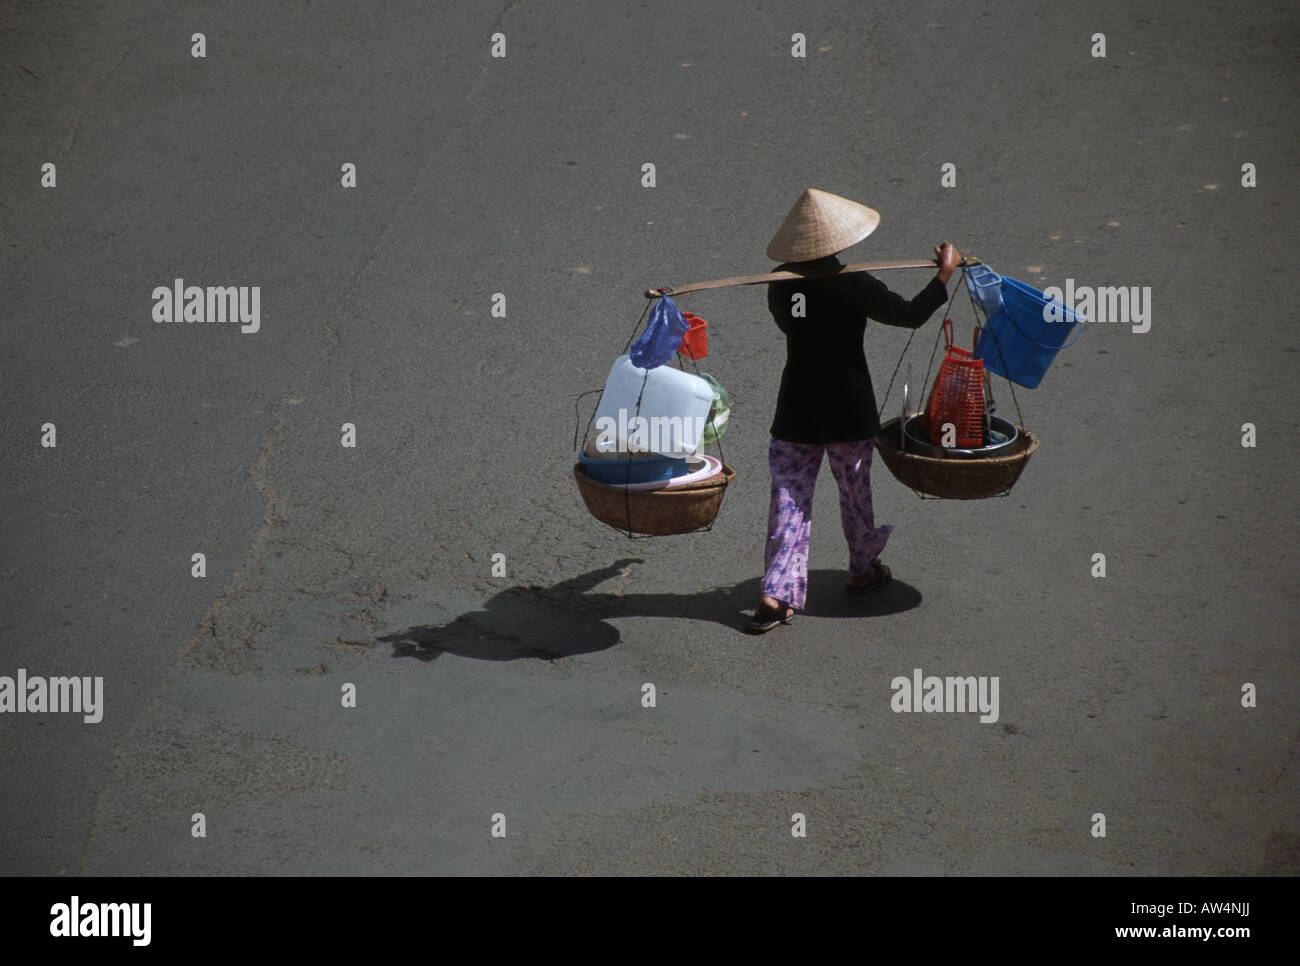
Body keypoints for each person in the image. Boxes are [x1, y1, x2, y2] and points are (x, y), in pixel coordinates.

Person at [747, 188, 960, 633]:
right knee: (854, 494)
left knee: (789, 501)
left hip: (797, 413)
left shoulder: (782, 288)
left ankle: (776, 592)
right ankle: (862, 570)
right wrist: (943, 275)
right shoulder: (856, 284)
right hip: (848, 411)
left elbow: (795, 321)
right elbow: (909, 314)